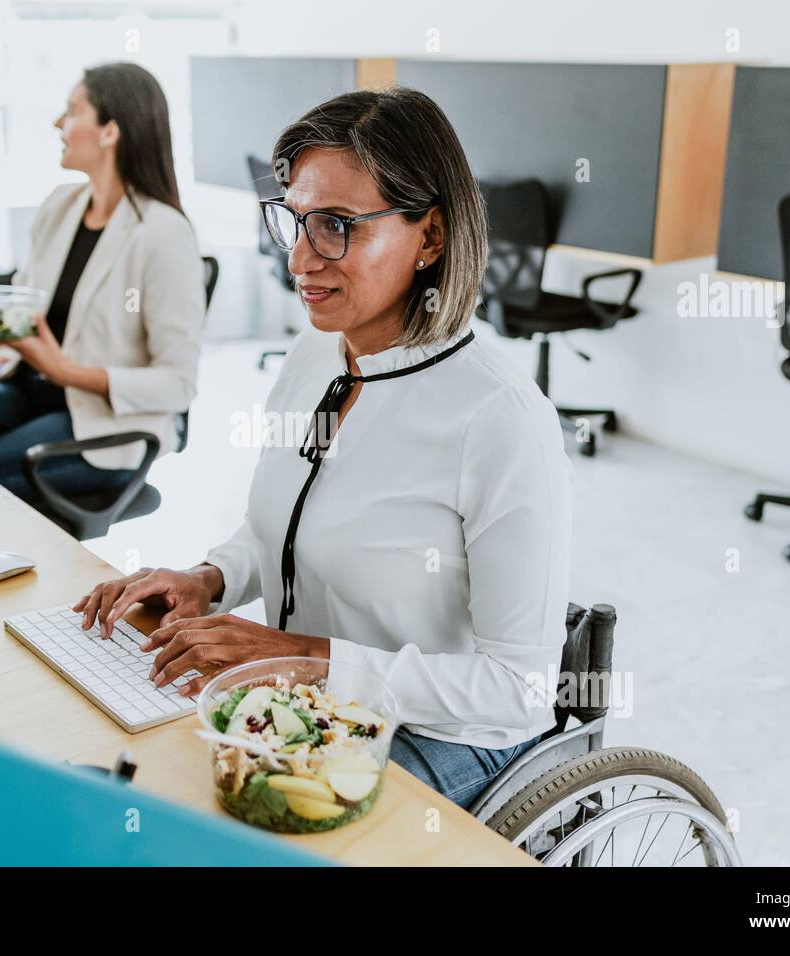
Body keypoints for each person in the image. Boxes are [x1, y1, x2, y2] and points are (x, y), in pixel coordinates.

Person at [75, 88, 574, 809]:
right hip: (314, 702)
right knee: (141, 775)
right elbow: (277, 526)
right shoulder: (316, 358)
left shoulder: (499, 420)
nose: (301, 260)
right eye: (297, 222)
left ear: (430, 238)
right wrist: (208, 580)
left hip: (440, 735)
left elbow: (519, 693)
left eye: (338, 226)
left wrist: (301, 657)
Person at [0, 63, 204, 503]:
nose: (58, 123)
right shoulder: (60, 206)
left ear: (110, 131)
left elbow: (177, 384)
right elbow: (22, 322)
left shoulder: (163, 233)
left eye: (71, 112)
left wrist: (64, 371)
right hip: (29, 393)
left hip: (103, 429)